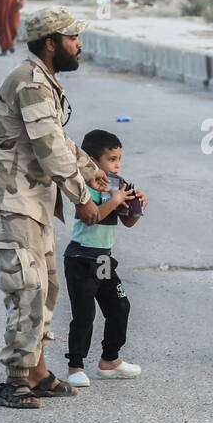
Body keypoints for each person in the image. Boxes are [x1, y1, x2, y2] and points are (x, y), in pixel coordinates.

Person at [0, 6, 109, 408]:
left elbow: (60, 140)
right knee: (27, 287)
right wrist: (83, 199)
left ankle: (37, 371)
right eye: (72, 39)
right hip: (10, 200)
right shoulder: (30, 82)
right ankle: (15, 379)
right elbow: (49, 151)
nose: (79, 45)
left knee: (47, 285)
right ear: (51, 44)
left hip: (32, 200)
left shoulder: (44, 81)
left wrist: (90, 171)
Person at [63, 129, 148, 387]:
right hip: (81, 258)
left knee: (119, 307)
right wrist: (115, 199)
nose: (117, 165)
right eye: (111, 159)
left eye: (119, 159)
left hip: (102, 261)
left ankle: (110, 360)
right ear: (91, 160)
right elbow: (93, 216)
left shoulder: (116, 185)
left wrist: (137, 206)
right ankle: (75, 366)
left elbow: (128, 222)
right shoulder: (83, 186)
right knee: (84, 315)